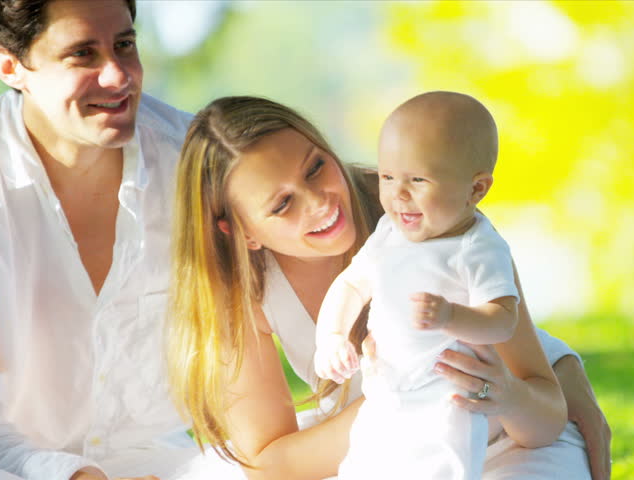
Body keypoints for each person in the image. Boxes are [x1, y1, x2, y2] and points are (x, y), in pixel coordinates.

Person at [168, 95, 610, 479]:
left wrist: (558, 373)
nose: (320, 202)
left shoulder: (421, 213)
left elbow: (512, 341)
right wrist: (406, 403)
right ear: (242, 231)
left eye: (316, 167)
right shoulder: (241, 290)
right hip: (388, 439)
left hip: (500, 422)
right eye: (283, 204)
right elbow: (269, 463)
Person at [0, 1, 241, 479]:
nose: (119, 77)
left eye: (125, 45)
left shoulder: (194, 161)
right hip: (6, 468)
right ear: (11, 67)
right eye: (82, 54)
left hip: (169, 464)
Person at [313, 91, 550, 479]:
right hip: (385, 393)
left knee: (438, 470)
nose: (397, 194)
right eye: (388, 177)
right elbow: (352, 285)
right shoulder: (390, 232)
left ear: (476, 189)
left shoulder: (478, 247)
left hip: (447, 402)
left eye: (418, 180)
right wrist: (333, 336)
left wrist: (451, 315)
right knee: (363, 465)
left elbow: (503, 319)